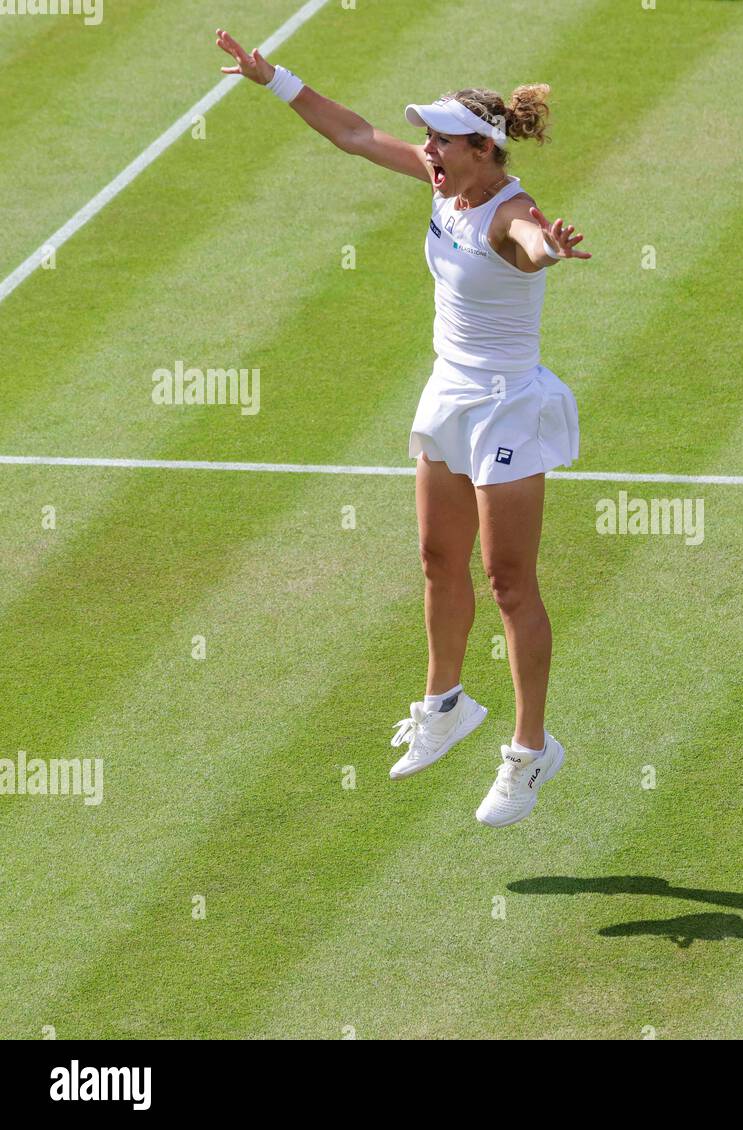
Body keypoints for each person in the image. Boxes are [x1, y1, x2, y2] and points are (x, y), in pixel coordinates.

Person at [216, 29, 591, 827]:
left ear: (483, 150)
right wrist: (271, 77)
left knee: (509, 583)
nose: (429, 148)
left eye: (443, 139)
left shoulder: (510, 210)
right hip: (450, 393)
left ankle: (530, 750)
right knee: (437, 559)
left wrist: (550, 250)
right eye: (428, 136)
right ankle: (446, 704)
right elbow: (354, 133)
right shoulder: (442, 183)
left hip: (507, 408)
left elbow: (527, 246)